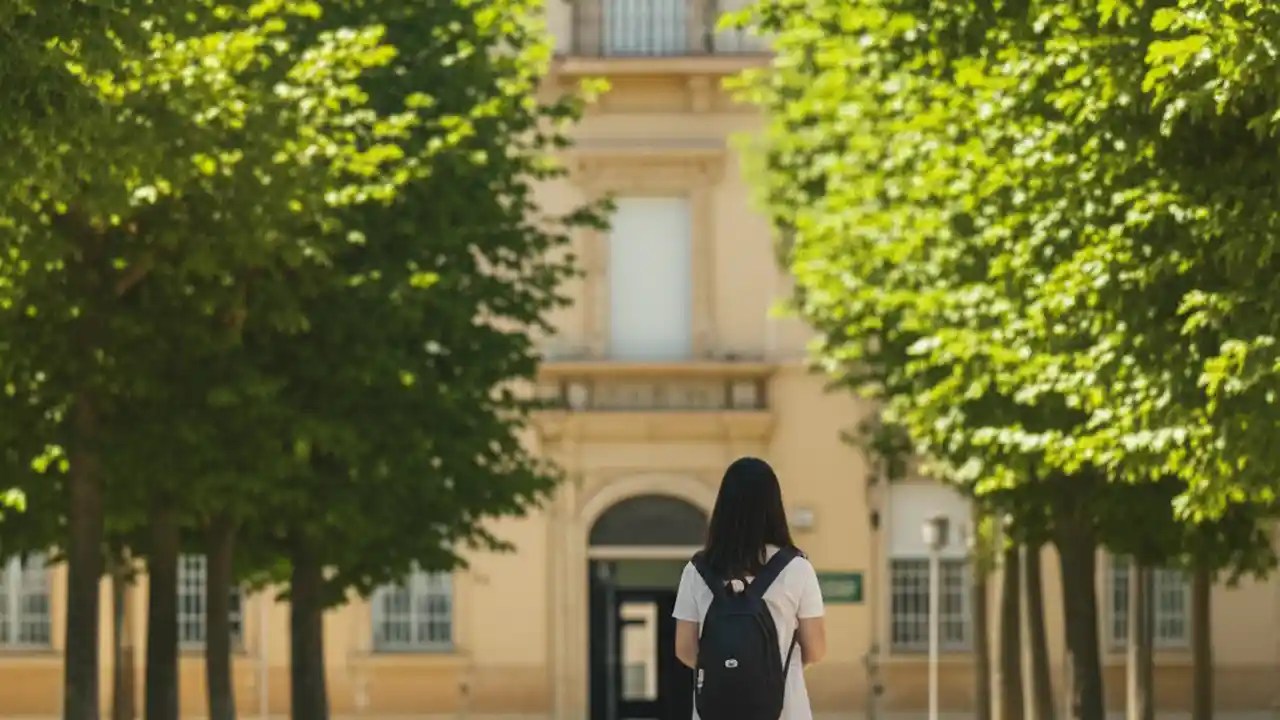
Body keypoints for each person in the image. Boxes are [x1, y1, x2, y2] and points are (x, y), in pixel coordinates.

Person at [672, 456, 827, 720]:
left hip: (716, 710)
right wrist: (765, 669)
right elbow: (815, 648)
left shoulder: (697, 571)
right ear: (774, 506)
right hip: (784, 710)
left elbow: (685, 649)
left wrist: (730, 669)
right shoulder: (797, 568)